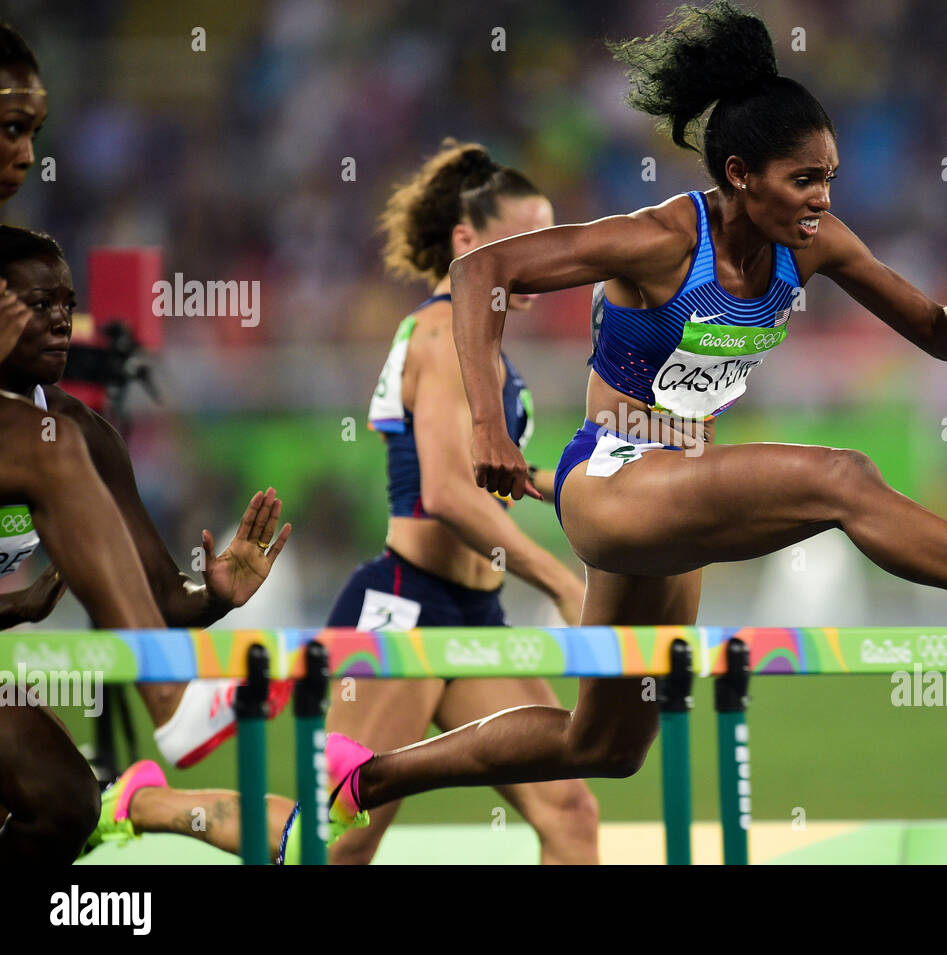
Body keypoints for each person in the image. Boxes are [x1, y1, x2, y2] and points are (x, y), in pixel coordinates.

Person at [317, 1, 947, 823]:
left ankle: (373, 776)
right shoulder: (662, 239)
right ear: (739, 175)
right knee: (842, 479)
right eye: (804, 180)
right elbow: (481, 274)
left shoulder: (817, 245)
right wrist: (487, 425)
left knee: (605, 743)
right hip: (611, 480)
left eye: (831, 179)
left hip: (678, 490)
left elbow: (937, 337)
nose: (823, 200)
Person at [324, 139, 597, 864]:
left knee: (568, 808)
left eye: (550, 241)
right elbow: (445, 491)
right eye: (522, 242)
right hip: (408, 609)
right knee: (343, 838)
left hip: (474, 614)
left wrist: (572, 482)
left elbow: (485, 471)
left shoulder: (480, 338)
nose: (541, 259)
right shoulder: (445, 333)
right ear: (467, 242)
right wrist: (565, 580)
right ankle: (155, 806)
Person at [0, 223, 296, 768]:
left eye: (69, 303)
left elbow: (158, 595)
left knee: (66, 805)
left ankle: (173, 710)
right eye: (40, 304)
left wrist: (213, 596)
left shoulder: (82, 433)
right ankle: (170, 706)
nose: (63, 320)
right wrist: (14, 605)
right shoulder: (56, 445)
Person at [0, 21, 168, 863]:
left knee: (66, 806)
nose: (27, 154)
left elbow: (172, 592)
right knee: (46, 441)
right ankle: (175, 698)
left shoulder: (69, 419)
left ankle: (169, 682)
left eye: (34, 131)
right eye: (8, 128)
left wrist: (220, 585)